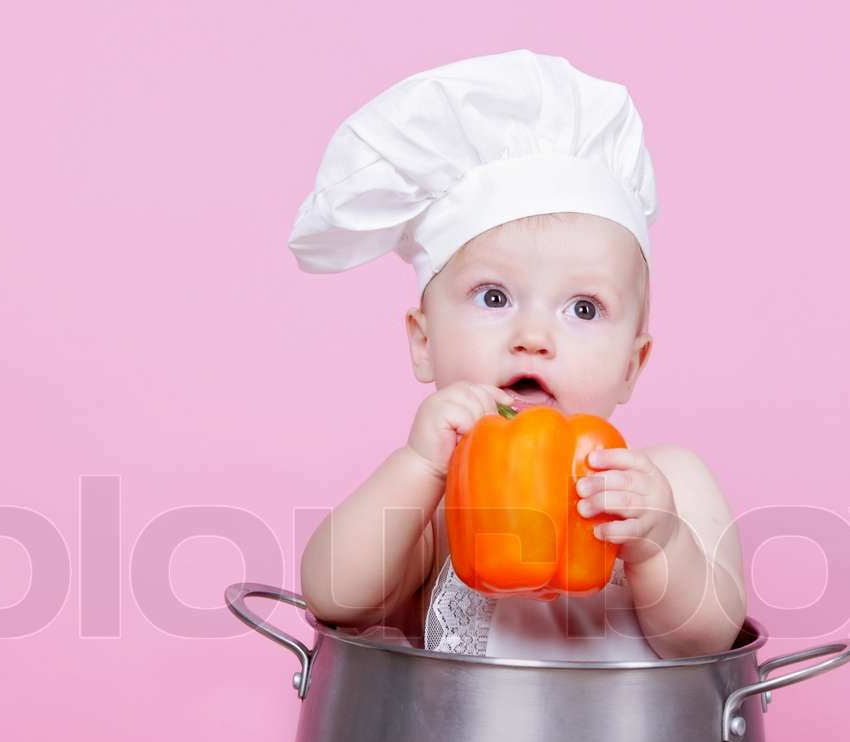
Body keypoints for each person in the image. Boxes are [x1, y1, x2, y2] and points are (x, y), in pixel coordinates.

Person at [290, 50, 745, 661]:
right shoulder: (441, 500)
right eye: (495, 296)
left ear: (633, 365)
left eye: (583, 309)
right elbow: (333, 597)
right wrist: (419, 466)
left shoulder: (668, 481)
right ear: (424, 344)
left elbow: (709, 635)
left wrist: (658, 539)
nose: (533, 336)